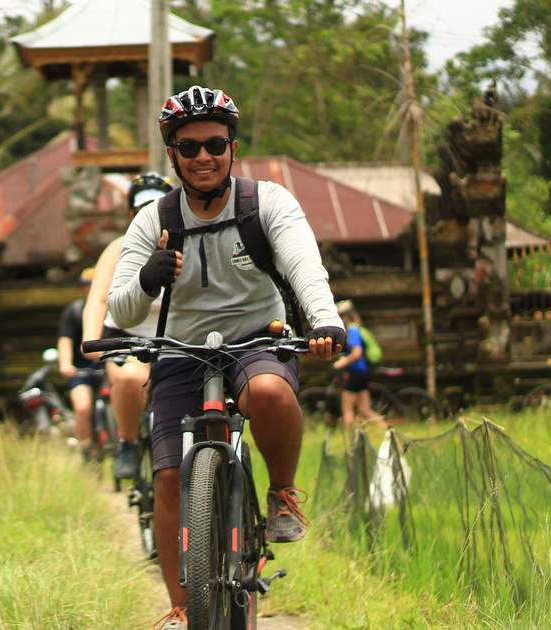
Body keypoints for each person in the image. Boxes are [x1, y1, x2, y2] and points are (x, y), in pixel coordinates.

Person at [107, 85, 346, 627]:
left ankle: (282, 493)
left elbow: (306, 268)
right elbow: (120, 309)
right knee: (168, 478)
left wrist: (326, 321)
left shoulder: (268, 203)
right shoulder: (153, 220)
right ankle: (180, 608)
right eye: (188, 148)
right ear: (173, 156)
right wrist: (147, 279)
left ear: (233, 147)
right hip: (181, 351)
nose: (203, 158)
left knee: (266, 391)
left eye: (215, 144)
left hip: (258, 337)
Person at [83, 172, 174, 480]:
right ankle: (128, 441)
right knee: (130, 379)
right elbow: (98, 300)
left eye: (156, 207)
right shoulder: (118, 248)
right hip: (127, 336)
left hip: (176, 335)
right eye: (141, 210)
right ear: (132, 213)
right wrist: (90, 340)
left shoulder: (188, 240)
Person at [58, 268, 98, 455]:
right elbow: (65, 340)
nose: (89, 289)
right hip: (82, 369)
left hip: (108, 365)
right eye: (86, 285)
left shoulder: (114, 309)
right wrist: (65, 364)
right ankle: (86, 451)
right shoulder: (73, 312)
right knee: (82, 407)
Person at [331, 300, 385, 435]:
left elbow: (357, 352)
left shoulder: (353, 329)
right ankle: (388, 430)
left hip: (356, 372)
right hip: (363, 372)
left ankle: (350, 443)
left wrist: (341, 363)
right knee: (364, 410)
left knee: (347, 409)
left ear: (345, 317)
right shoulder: (357, 328)